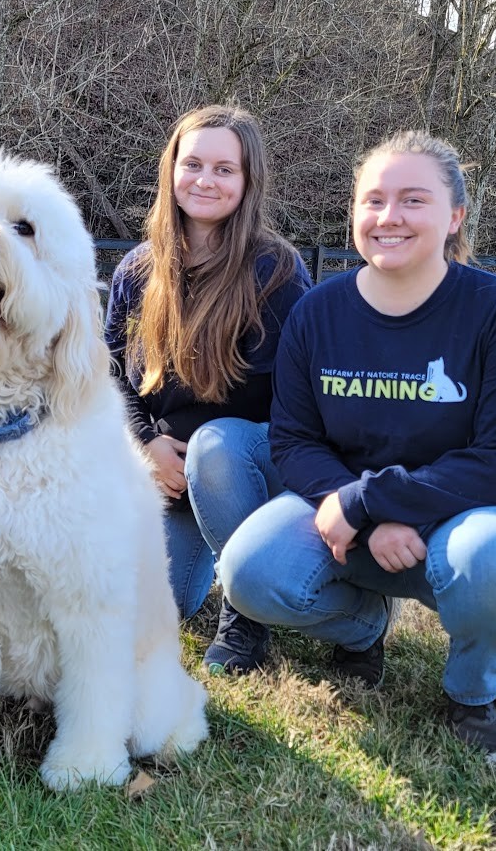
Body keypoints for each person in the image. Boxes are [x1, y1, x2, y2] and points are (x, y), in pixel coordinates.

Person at [214, 131, 496, 753]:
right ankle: (362, 625)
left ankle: (472, 690)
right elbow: (294, 440)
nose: (388, 217)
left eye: (413, 201)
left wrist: (372, 503)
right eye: (372, 201)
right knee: (250, 574)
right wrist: (358, 511)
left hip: (464, 517)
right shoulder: (318, 312)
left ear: (455, 216)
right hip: (348, 517)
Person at [101, 105, 311, 663]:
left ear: (248, 180)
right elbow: (110, 376)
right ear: (171, 171)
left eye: (225, 169)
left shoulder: (279, 274)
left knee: (216, 447)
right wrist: (143, 445)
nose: (205, 180)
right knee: (142, 610)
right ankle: (208, 559)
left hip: (247, 465)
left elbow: (299, 400)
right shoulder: (137, 272)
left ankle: (245, 616)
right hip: (166, 477)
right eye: (192, 163)